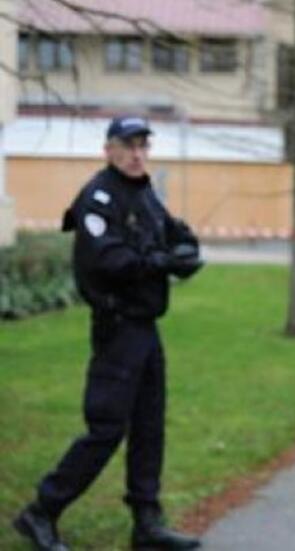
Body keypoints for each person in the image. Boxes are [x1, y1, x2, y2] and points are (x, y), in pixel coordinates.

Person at [13, 116, 204, 551]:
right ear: (109, 149)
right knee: (105, 428)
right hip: (118, 329)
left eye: (143, 146)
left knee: (149, 426)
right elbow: (107, 260)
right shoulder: (98, 197)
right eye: (128, 145)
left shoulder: (144, 192)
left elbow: (172, 233)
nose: (137, 154)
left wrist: (185, 248)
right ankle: (42, 510)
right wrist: (159, 261)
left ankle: (147, 523)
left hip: (146, 328)